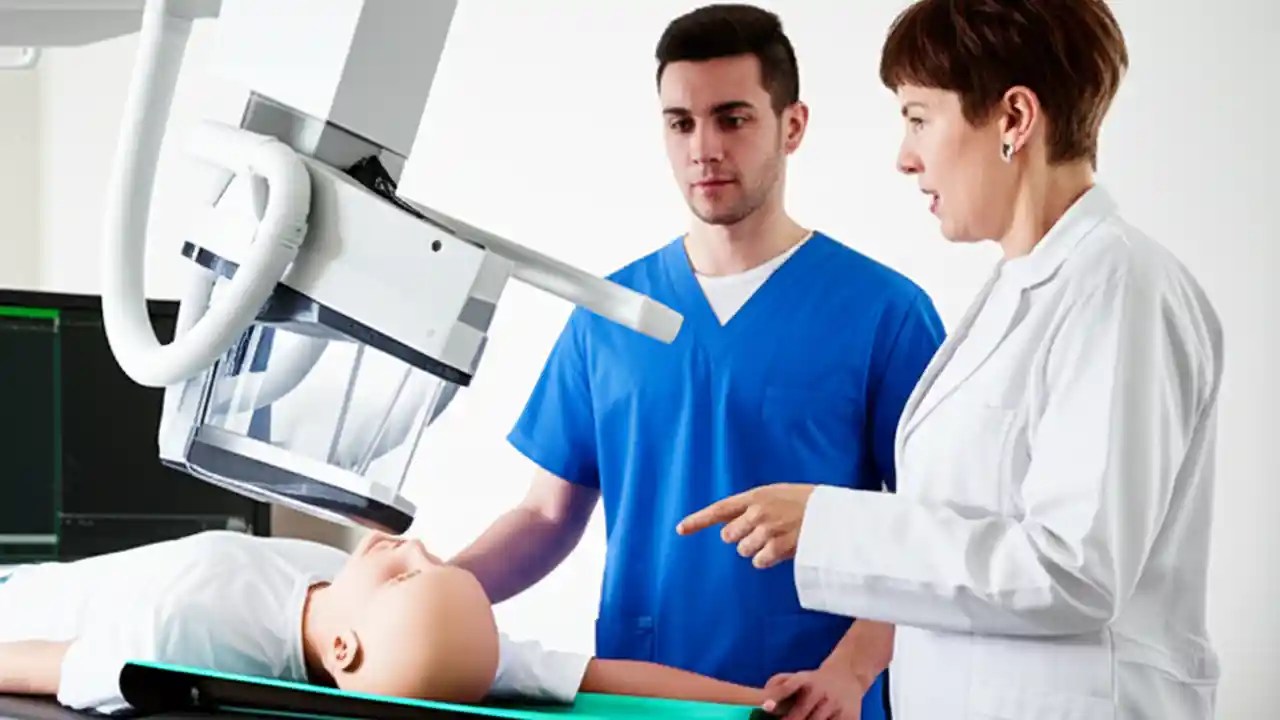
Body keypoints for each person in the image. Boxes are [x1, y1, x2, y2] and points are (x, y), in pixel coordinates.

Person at [677, 1, 1225, 718]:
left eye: (918, 118)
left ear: (1013, 119)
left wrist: (829, 524)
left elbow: (1076, 571)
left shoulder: (1119, 286)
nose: (905, 157)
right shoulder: (1019, 290)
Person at [448, 5, 945, 720]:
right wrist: (425, 598)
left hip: (810, 700)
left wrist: (850, 673)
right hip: (641, 697)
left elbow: (932, 533)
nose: (703, 148)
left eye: (732, 119)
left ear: (793, 126)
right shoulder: (610, 315)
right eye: (680, 123)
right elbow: (546, 516)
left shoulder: (885, 314)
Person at [0, 529, 774, 714]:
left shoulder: (185, 633)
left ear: (343, 647)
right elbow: (595, 677)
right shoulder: (437, 648)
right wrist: (755, 702)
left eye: (406, 575)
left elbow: (52, 664)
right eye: (435, 565)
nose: (416, 548)